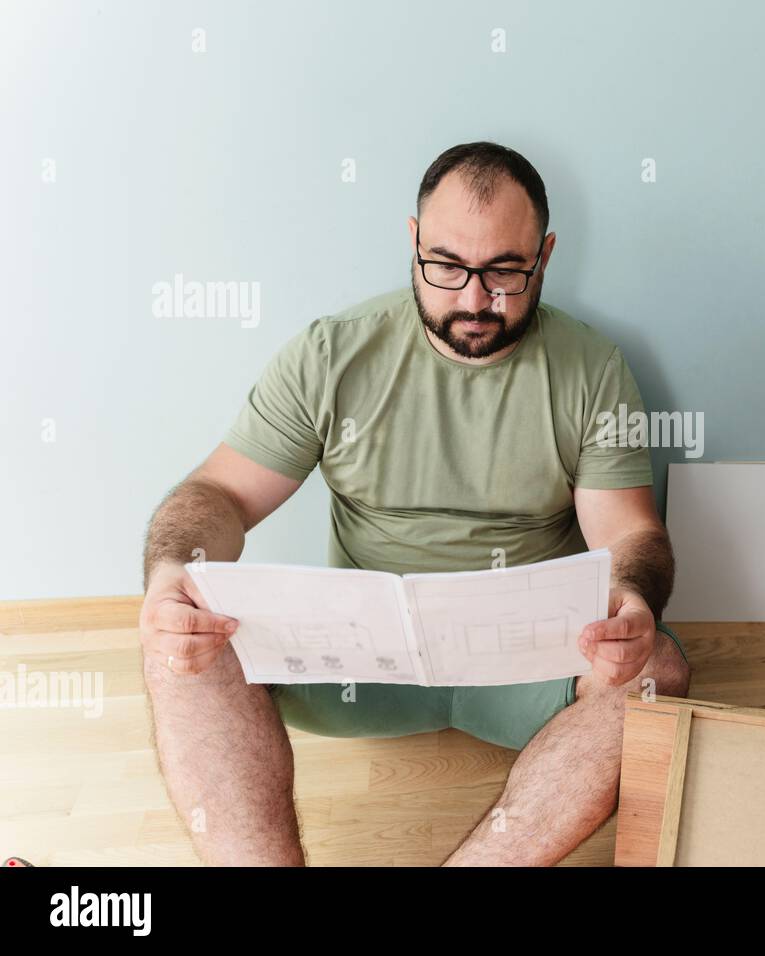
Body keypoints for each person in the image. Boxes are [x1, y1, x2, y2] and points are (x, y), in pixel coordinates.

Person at [138, 141, 689, 866]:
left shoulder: (592, 369)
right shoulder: (332, 355)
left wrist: (632, 597)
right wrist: (172, 567)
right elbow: (217, 494)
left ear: (545, 256)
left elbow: (631, 534)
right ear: (413, 241)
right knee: (178, 633)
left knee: (662, 676)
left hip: (528, 663)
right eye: (446, 265)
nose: (472, 298)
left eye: (504, 271)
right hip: (358, 661)